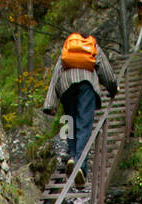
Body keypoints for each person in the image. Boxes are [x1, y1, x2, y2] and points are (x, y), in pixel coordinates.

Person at [42, 32, 118, 188]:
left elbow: (57, 73)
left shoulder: (67, 48)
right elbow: (104, 70)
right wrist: (112, 87)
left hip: (65, 85)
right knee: (83, 124)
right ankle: (79, 166)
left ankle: (71, 155)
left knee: (69, 122)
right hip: (86, 83)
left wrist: (50, 103)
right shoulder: (92, 46)